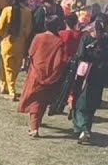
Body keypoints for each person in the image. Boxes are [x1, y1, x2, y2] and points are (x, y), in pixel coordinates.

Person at [18, 17, 69, 137]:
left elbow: (31, 53)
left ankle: (34, 128)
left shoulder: (38, 37)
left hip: (36, 72)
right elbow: (60, 61)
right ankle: (35, 126)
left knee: (35, 101)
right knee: (41, 102)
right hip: (50, 74)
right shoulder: (58, 42)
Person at [68, 16, 108, 145]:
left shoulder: (86, 37)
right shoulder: (105, 39)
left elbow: (80, 55)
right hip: (100, 75)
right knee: (92, 104)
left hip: (85, 74)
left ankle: (82, 128)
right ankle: (84, 128)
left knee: (80, 102)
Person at [0, 0, 34, 101]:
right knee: (15, 66)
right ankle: (4, 85)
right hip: (20, 42)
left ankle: (10, 89)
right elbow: (28, 30)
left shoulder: (7, 10)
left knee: (5, 64)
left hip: (7, 41)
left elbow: (0, 26)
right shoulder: (28, 12)